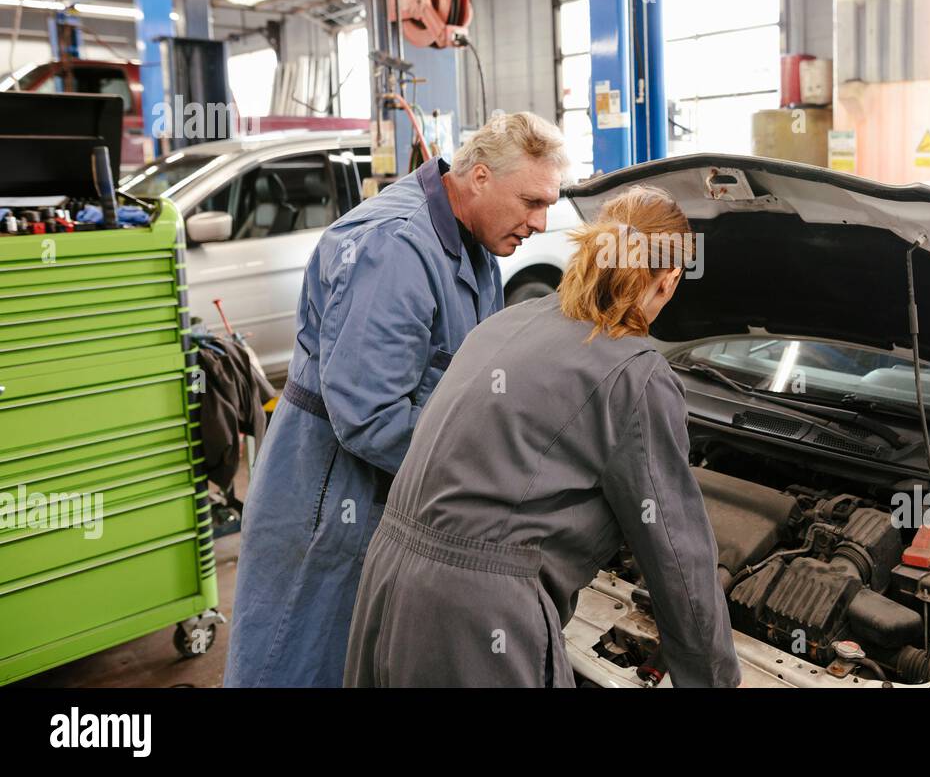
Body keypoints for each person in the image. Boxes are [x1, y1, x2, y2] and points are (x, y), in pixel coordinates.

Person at [344, 185, 742, 688]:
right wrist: (715, 677)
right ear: (669, 279)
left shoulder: (510, 320)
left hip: (387, 580)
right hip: (477, 615)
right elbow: (678, 559)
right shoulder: (635, 373)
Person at [224, 112, 568, 687]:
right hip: (329, 500)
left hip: (388, 493)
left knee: (353, 661)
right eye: (531, 202)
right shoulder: (396, 248)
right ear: (479, 177)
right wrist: (484, 474)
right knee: (296, 660)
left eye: (549, 204)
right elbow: (370, 417)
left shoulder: (474, 237)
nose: (540, 222)